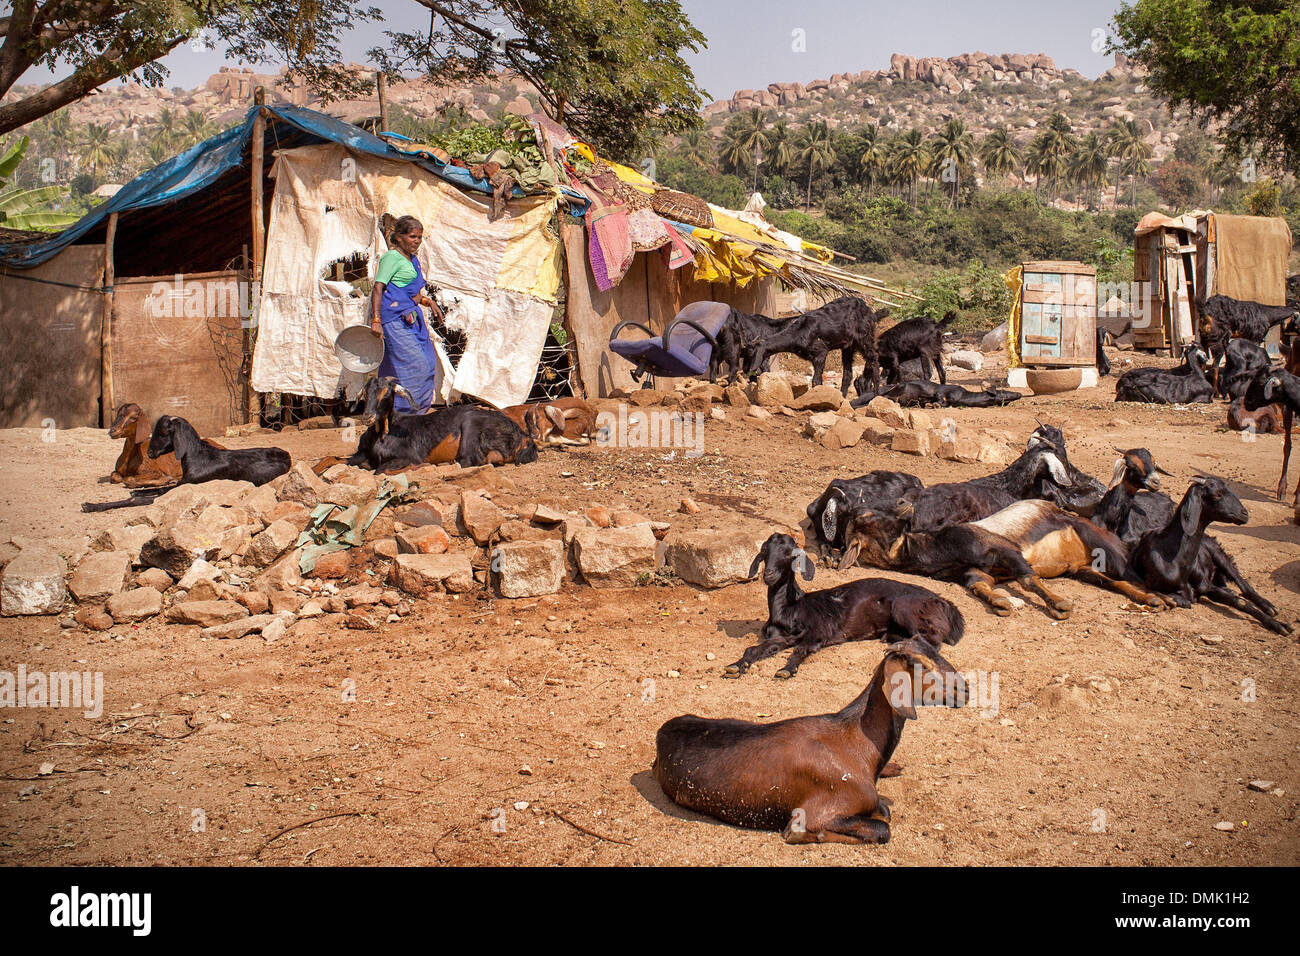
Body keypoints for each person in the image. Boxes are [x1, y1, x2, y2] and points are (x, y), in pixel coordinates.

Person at [371, 215, 443, 413]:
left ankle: (415, 412)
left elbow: (412, 293)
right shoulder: (391, 258)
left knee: (428, 364)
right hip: (394, 320)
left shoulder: (412, 260)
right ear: (399, 237)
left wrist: (428, 302)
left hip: (411, 320)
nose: (417, 241)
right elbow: (378, 288)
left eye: (420, 237)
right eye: (412, 236)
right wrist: (376, 320)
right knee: (414, 366)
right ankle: (404, 414)